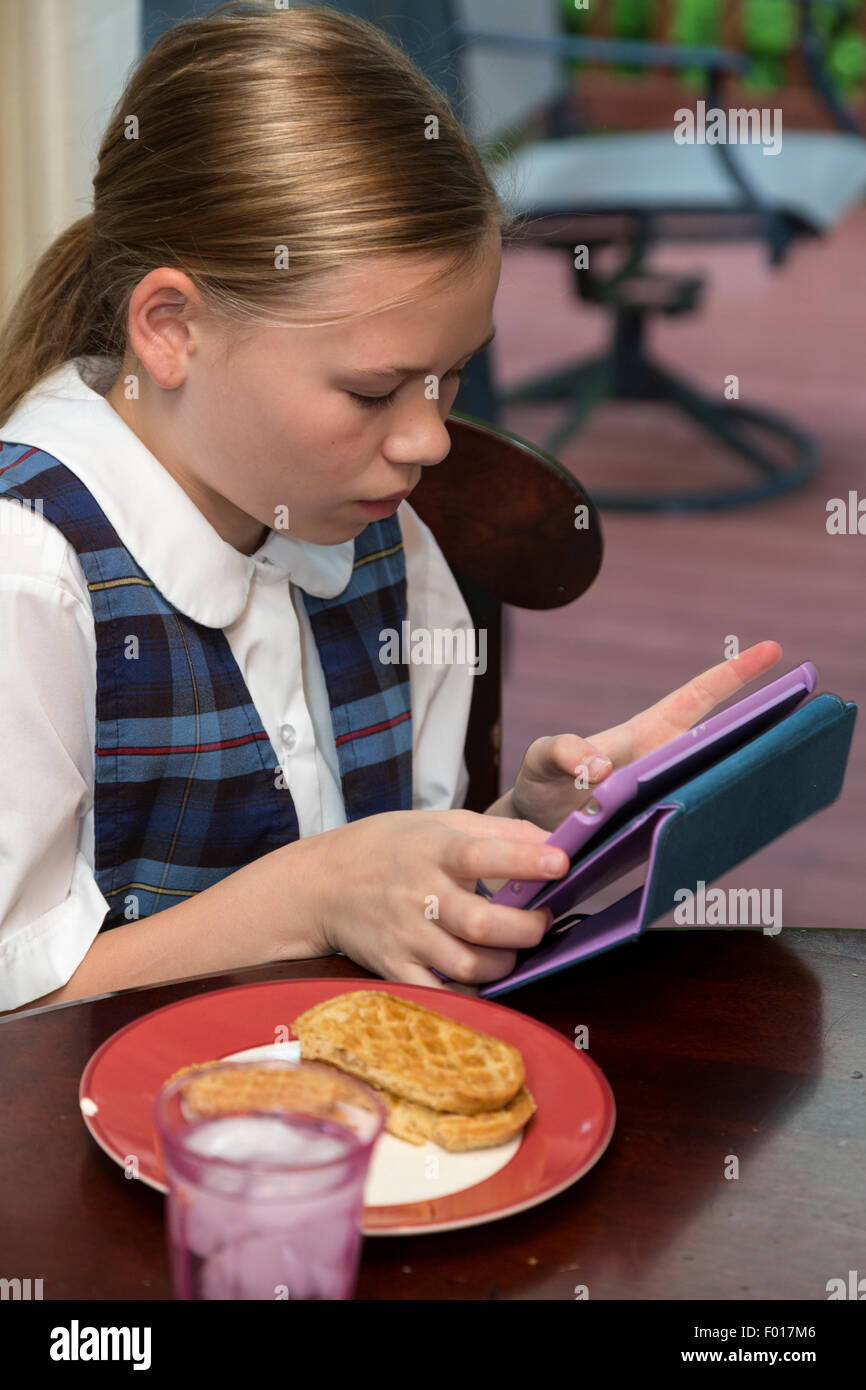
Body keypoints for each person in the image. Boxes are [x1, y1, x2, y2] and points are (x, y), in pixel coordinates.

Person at [0, 3, 781, 1013]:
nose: (429, 441)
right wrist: (315, 894)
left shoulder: (376, 529)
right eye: (373, 391)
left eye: (451, 375)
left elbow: (392, 890)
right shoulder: (31, 576)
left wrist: (522, 834)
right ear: (170, 329)